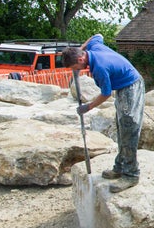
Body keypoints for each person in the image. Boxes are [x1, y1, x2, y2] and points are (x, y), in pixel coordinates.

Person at [62, 34, 145, 193]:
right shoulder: (93, 49)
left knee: (129, 129)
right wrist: (81, 47)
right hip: (123, 87)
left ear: (80, 60)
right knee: (121, 129)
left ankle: (131, 174)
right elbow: (97, 36)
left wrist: (88, 107)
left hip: (131, 86)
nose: (76, 72)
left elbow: (106, 93)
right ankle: (120, 166)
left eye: (74, 68)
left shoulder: (99, 68)